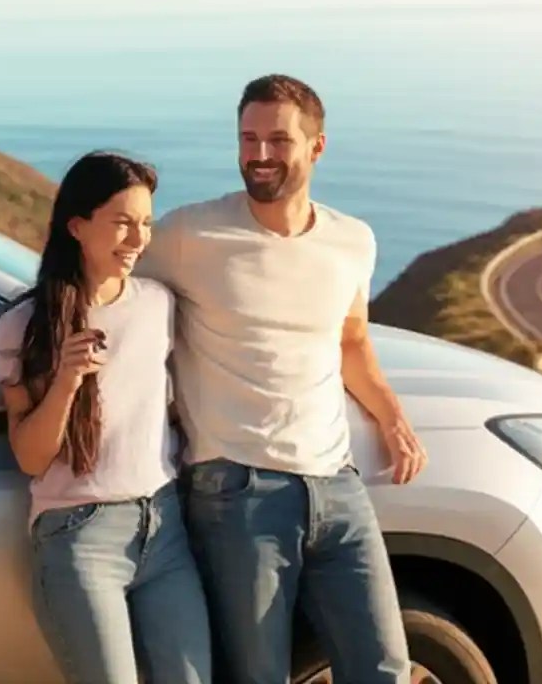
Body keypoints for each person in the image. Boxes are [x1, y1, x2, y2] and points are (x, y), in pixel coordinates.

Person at [135, 74, 428, 684]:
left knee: (384, 668)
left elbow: (351, 340)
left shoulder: (353, 241)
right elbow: (110, 292)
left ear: (317, 146)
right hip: (238, 492)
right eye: (248, 139)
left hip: (337, 485)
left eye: (278, 140)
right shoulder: (190, 235)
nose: (259, 154)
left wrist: (393, 419)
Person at [0, 151, 211, 684]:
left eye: (146, 224)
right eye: (121, 223)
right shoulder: (24, 325)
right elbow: (31, 458)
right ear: (77, 226)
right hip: (80, 537)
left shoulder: (159, 305)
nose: (137, 239)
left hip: (163, 527)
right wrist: (66, 379)